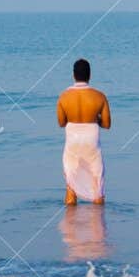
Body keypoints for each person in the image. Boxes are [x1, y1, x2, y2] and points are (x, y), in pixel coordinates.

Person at [56, 58, 110, 205]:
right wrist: (95, 119)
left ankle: (71, 224)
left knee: (71, 184)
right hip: (91, 141)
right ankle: (98, 222)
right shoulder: (99, 96)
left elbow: (61, 123)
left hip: (73, 141)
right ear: (89, 75)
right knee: (97, 183)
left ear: (73, 75)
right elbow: (107, 124)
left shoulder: (63, 96)